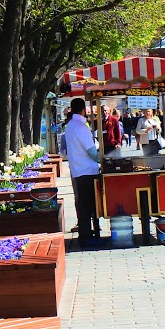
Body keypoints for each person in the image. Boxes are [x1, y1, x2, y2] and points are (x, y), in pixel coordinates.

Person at [61, 96, 102, 245]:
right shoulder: (81, 127)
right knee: (89, 206)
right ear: (84, 109)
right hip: (87, 170)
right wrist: (102, 160)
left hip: (77, 170)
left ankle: (86, 234)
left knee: (82, 205)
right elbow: (91, 151)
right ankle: (87, 237)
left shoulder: (70, 126)